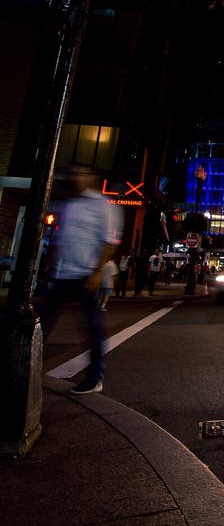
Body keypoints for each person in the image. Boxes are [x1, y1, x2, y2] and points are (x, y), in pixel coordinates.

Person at [38, 164, 123, 394]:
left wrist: (96, 271)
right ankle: (26, 366)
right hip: (63, 274)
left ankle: (95, 376)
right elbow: (61, 236)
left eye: (81, 173)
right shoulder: (70, 203)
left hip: (85, 274)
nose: (76, 177)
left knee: (92, 327)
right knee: (40, 323)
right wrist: (52, 260)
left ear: (93, 178)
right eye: (74, 173)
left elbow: (109, 242)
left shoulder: (103, 206)